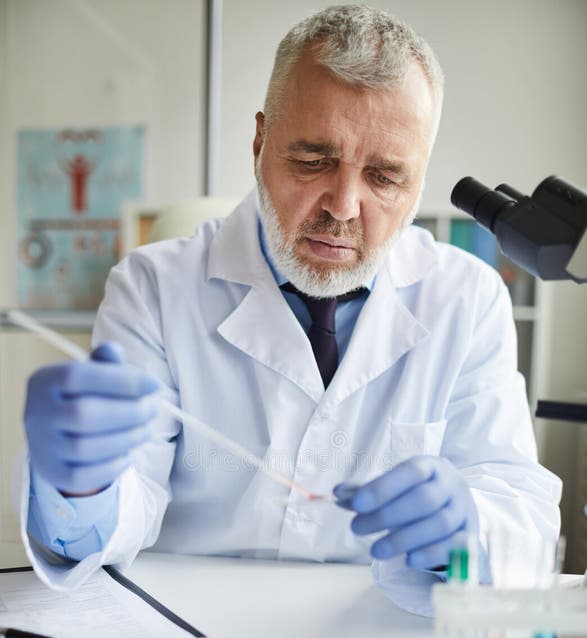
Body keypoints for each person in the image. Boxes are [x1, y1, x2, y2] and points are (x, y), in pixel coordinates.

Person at [21, 5, 561, 607]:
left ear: (420, 180)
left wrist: (470, 529)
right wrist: (80, 482)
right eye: (312, 162)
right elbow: (125, 503)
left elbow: (521, 512)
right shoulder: (153, 287)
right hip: (195, 635)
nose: (344, 205)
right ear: (259, 142)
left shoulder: (468, 299)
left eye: (384, 177)